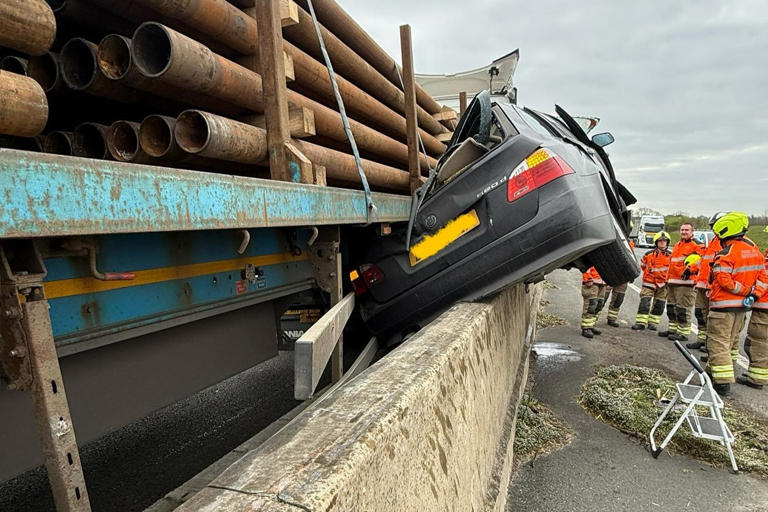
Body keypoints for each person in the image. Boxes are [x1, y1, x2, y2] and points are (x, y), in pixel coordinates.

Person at [706, 213, 766, 395]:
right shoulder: (755, 251)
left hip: (722, 307)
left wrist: (745, 290)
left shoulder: (726, 253)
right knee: (730, 341)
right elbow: (763, 278)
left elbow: (724, 281)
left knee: (718, 342)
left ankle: (722, 383)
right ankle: (711, 372)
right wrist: (754, 294)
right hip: (742, 308)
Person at [658, 223, 702, 341]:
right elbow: (672, 264)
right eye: (682, 230)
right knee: (671, 308)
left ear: (692, 231)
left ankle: (683, 332)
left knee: (683, 309)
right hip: (673, 283)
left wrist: (690, 270)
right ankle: (672, 329)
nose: (684, 232)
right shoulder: (678, 244)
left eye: (687, 230)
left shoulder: (697, 245)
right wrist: (667, 280)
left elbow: (702, 261)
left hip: (686, 283)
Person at [688, 212, 725, 350]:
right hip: (702, 285)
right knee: (700, 314)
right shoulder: (714, 241)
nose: (714, 228)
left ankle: (710, 344)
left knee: (713, 317)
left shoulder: (726, 243)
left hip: (713, 287)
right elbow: (704, 261)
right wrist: (691, 269)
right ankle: (702, 340)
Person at [739, 231, 768, 389]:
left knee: (758, 342)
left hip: (764, 307)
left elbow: (763, 279)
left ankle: (756, 379)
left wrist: (754, 294)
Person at [632, 232, 671, 330]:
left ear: (667, 242)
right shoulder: (648, 254)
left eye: (664, 241)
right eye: (660, 241)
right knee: (645, 302)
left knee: (659, 304)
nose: (662, 243)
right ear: (656, 242)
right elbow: (643, 266)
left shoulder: (671, 255)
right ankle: (640, 322)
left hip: (663, 285)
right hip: (649, 283)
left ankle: (653, 323)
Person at [604, 240, 636, 327]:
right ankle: (593, 318)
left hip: (623, 275)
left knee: (618, 299)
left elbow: (631, 259)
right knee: (603, 297)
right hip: (609, 273)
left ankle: (612, 318)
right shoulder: (610, 238)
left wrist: (632, 274)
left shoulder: (630, 243)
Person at [581, 267, 607, 338]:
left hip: (603, 283)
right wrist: (587, 278)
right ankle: (586, 328)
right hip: (592, 282)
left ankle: (591, 325)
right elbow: (584, 266)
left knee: (599, 305)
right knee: (591, 305)